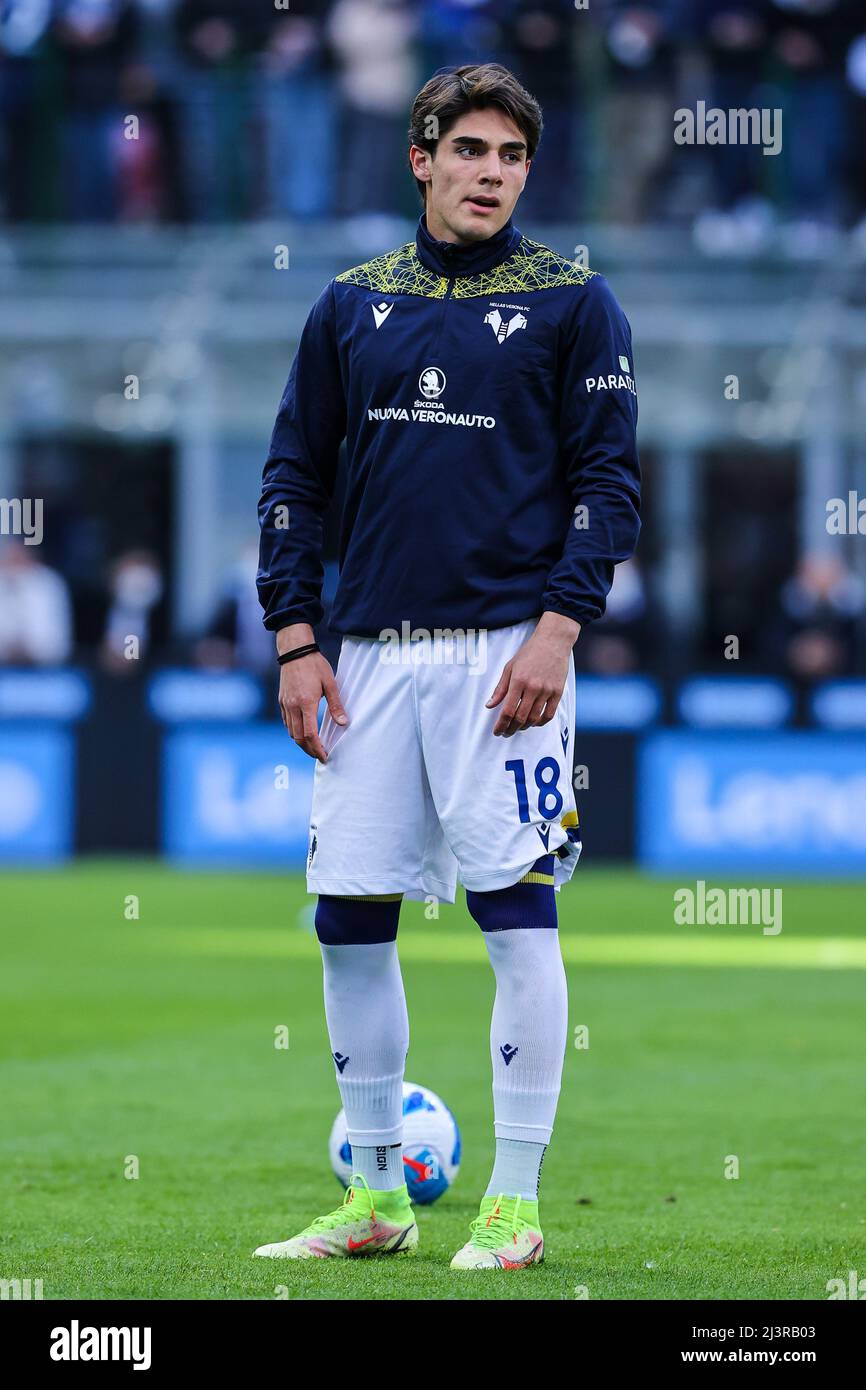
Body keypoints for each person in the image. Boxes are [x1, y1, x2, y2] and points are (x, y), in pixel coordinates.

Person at [255, 62, 641, 1271]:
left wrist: (559, 629)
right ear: (419, 158)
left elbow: (607, 488)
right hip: (364, 657)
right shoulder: (349, 304)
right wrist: (297, 637)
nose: (490, 174)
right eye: (468, 151)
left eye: (510, 157)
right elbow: (291, 482)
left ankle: (514, 1206)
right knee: (347, 918)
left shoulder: (575, 301)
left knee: (514, 913)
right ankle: (374, 1192)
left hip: (502, 656)